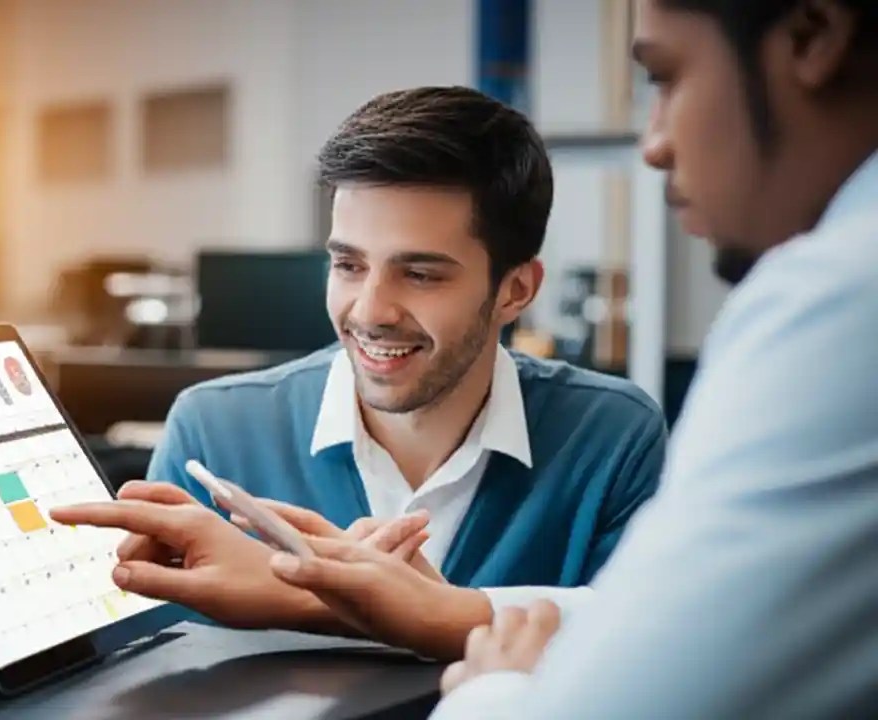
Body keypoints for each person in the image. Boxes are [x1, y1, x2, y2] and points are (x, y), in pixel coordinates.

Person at [273, 0, 878, 716]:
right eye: (347, 264)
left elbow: (659, 682)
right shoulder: (219, 424)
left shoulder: (839, 300)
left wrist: (492, 687)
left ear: (812, 38)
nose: (653, 144)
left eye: (667, 77)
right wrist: (456, 619)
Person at [52, 86, 668, 659]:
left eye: (420, 274)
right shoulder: (213, 430)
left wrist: (319, 601)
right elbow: (150, 675)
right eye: (348, 265)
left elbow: (649, 657)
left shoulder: (609, 436)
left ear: (515, 290)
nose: (371, 311)